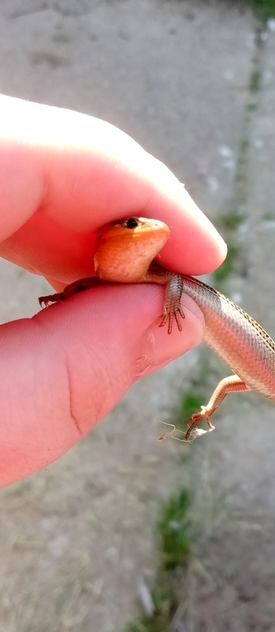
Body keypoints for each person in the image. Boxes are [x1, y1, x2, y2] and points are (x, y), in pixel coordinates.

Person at [0, 94, 226, 489]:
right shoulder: (104, 260)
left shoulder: (144, 272)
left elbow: (171, 281)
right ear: (111, 234)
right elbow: (87, 284)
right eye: (135, 224)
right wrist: (65, 295)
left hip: (180, 292)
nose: (153, 229)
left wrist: (171, 306)